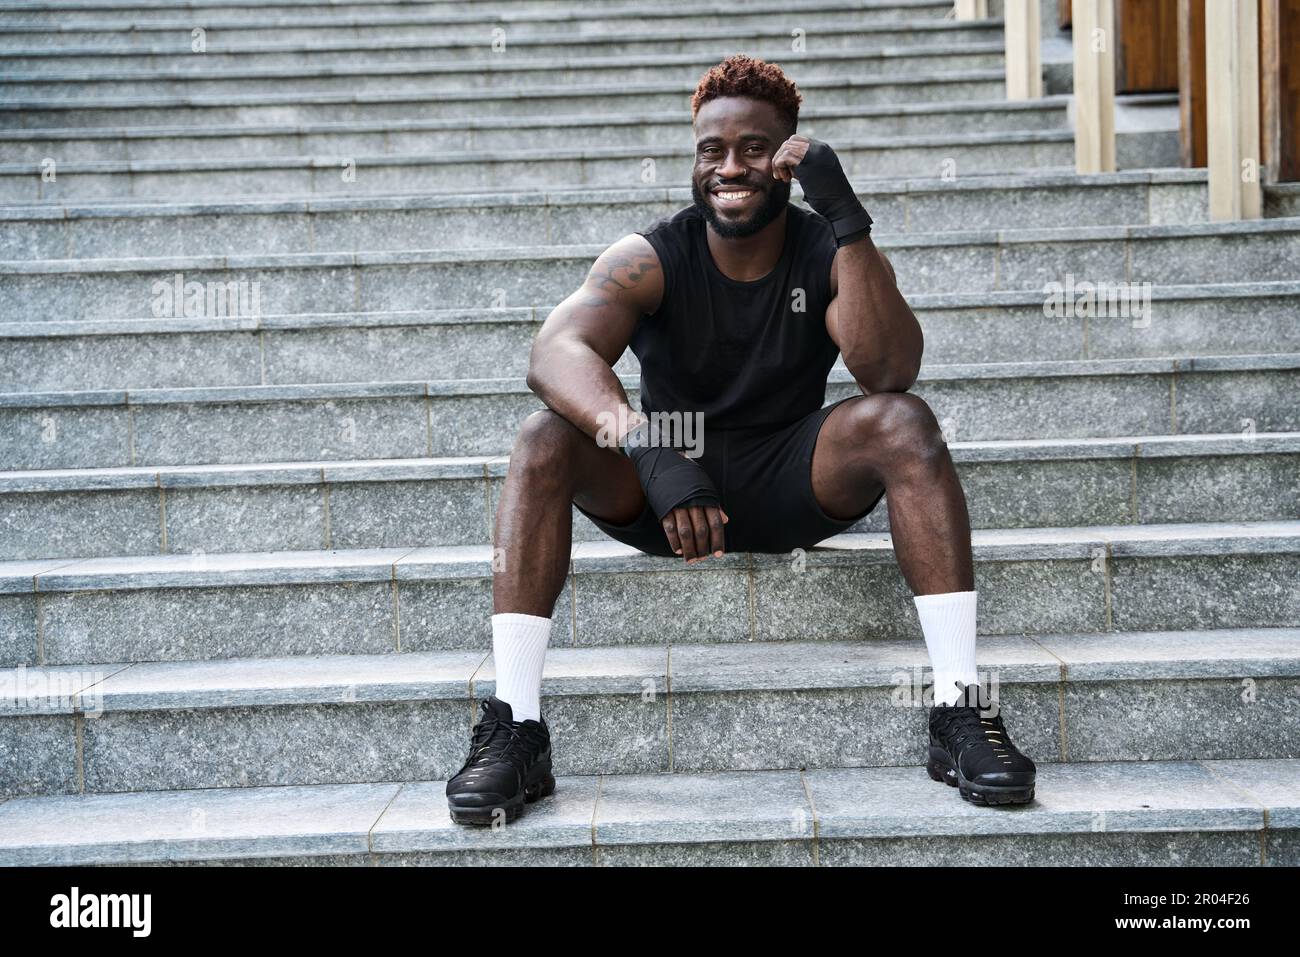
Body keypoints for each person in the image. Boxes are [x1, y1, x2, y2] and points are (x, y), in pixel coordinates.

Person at [445, 55, 1036, 826]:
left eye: (754, 148)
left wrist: (848, 218)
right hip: (665, 488)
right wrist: (647, 447)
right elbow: (553, 352)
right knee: (542, 439)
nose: (730, 166)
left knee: (905, 422)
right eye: (711, 150)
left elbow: (888, 367)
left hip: (792, 475)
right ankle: (516, 727)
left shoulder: (825, 248)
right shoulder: (650, 257)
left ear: (788, 159)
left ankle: (960, 711)